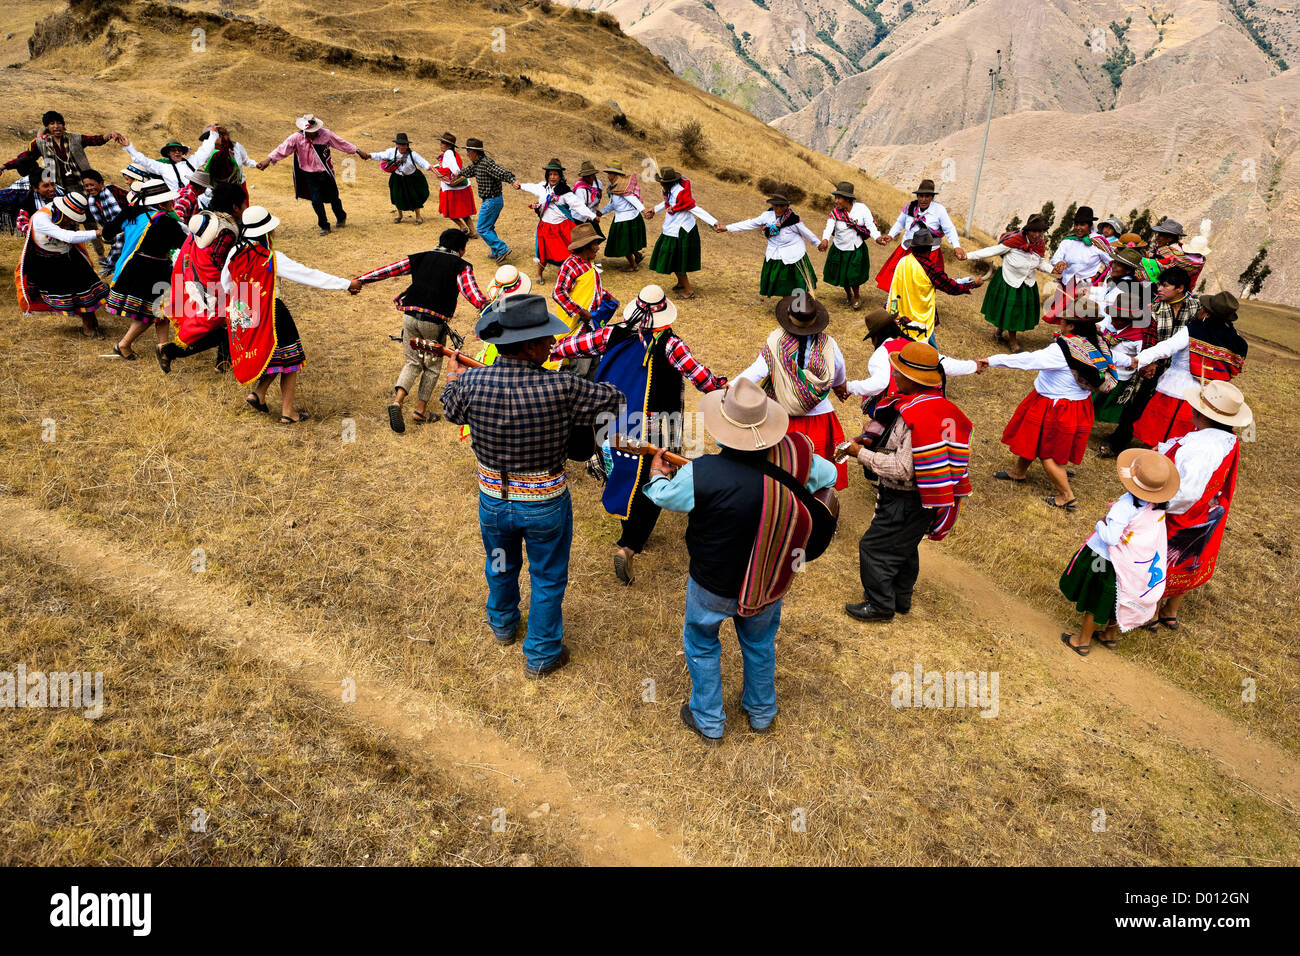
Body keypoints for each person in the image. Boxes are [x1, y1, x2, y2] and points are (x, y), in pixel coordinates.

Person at [643, 378, 838, 742]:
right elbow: (829, 476)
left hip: (710, 581)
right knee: (759, 644)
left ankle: (709, 720)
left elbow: (664, 497)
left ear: (721, 427)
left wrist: (656, 474)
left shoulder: (699, 472)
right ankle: (761, 713)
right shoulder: (794, 458)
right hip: (769, 577)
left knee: (702, 644)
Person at [440, 294, 624, 677]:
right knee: (548, 576)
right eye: (544, 339)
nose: (552, 344)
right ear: (527, 346)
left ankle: (503, 624)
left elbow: (450, 408)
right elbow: (615, 401)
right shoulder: (563, 387)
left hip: (493, 498)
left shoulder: (472, 381)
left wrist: (454, 376)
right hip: (545, 503)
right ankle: (541, 654)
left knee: (500, 563)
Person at [551, 284, 726, 584]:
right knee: (652, 475)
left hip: (610, 420)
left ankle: (627, 531)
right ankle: (630, 545)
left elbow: (571, 347)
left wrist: (548, 350)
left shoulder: (612, 333)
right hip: (655, 425)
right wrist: (726, 389)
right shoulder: (672, 346)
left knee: (621, 471)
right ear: (664, 317)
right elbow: (701, 378)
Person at [840, 342, 973, 622]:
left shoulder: (920, 417)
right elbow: (897, 442)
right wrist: (870, 440)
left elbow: (903, 469)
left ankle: (880, 605)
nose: (894, 376)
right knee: (904, 546)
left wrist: (860, 453)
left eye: (897, 372)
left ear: (912, 379)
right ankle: (901, 598)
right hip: (921, 501)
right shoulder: (933, 407)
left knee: (874, 548)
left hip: (905, 499)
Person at [221, 205, 361, 423]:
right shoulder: (271, 258)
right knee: (290, 359)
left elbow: (226, 284)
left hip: (245, 312)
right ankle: (288, 413)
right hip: (272, 311)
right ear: (266, 233)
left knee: (274, 355)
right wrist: (346, 284)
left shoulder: (234, 252)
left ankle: (258, 394)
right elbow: (308, 275)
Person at [980, 300, 1116, 511]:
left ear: (1071, 326)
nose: (1060, 323)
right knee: (1034, 439)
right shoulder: (1096, 342)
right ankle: (1018, 472)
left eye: (1064, 320)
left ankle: (1067, 497)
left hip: (1057, 406)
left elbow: (1028, 361)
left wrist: (992, 360)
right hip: (1075, 404)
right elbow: (1117, 360)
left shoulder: (1062, 349)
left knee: (1048, 454)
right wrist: (1133, 362)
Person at [354, 229, 489, 432]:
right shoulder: (461, 265)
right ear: (462, 249)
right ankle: (420, 411)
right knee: (433, 366)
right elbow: (471, 292)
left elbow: (390, 269)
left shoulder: (420, 257)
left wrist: (362, 279)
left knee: (412, 361)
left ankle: (397, 402)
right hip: (433, 322)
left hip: (409, 316)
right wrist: (488, 308)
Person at [1148, 381, 1252, 630]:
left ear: (1200, 413)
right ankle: (1170, 611)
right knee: (1187, 557)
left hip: (1183, 511)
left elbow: (1188, 490)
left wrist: (1157, 503)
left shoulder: (1199, 448)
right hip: (1206, 509)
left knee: (1163, 557)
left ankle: (1150, 613)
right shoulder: (1227, 440)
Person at [1058, 449, 1180, 655]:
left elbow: (1110, 538)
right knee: (1116, 599)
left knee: (1095, 599)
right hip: (1131, 564)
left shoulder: (1125, 506)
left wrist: (1100, 524)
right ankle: (1109, 636)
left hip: (1105, 561)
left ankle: (1083, 641)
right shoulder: (1159, 507)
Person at [738, 293, 851, 489]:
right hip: (819, 416)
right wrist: (840, 387)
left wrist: (730, 387)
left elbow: (757, 370)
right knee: (816, 467)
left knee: (783, 465)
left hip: (783, 417)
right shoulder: (828, 345)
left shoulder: (777, 343)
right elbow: (838, 372)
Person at [1129, 290, 1247, 447]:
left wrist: (1139, 359)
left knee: (1162, 437)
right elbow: (1234, 369)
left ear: (1207, 313)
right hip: (1209, 398)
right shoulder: (1238, 341)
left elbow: (1167, 347)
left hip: (1176, 390)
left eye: (1203, 308)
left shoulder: (1194, 330)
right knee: (1187, 440)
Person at [1102, 266, 1199, 457]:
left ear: (1180, 288)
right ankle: (1118, 441)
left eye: (1165, 285)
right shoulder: (1152, 308)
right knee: (1137, 401)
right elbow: (1148, 337)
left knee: (1177, 409)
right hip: (1153, 362)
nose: (1159, 289)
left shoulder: (1195, 307)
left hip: (1181, 366)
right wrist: (1147, 363)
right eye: (1159, 285)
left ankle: (1172, 447)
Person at [159, 184, 247, 374]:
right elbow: (218, 259)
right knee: (215, 320)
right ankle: (171, 351)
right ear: (235, 207)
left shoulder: (208, 218)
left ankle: (223, 362)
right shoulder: (228, 229)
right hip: (211, 284)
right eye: (243, 205)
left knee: (227, 321)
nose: (244, 209)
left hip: (193, 273)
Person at [101, 178, 187, 361]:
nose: (173, 203)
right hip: (154, 270)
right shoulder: (165, 222)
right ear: (161, 202)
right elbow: (183, 244)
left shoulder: (131, 213)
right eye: (170, 200)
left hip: (133, 265)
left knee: (160, 311)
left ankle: (163, 349)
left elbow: (107, 232)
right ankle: (124, 344)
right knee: (153, 311)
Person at [846, 307, 977, 411]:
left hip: (903, 406)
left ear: (876, 337)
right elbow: (946, 364)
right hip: (929, 401)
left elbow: (879, 384)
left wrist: (849, 387)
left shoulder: (881, 353)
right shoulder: (918, 345)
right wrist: (975, 365)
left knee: (869, 402)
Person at [14, 191, 107, 337]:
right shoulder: (41, 218)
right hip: (48, 263)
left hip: (70, 256)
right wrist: (98, 233)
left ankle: (88, 324)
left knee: (86, 290)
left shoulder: (64, 215)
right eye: (71, 218)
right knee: (69, 294)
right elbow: (67, 236)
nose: (72, 222)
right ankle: (88, 323)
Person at [258, 114, 369, 235]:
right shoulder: (296, 138)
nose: (312, 133)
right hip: (309, 175)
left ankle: (341, 217)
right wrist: (268, 160)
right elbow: (282, 149)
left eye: (314, 131)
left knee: (334, 198)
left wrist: (357, 151)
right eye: (309, 131)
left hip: (325, 172)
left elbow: (341, 143)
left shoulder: (326, 134)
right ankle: (324, 225)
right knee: (316, 200)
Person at [965, 213, 1053, 352]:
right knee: (1013, 311)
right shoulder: (1014, 241)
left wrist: (1054, 269)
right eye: (1034, 231)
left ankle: (999, 332)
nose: (1037, 235)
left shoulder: (1040, 245)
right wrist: (968, 255)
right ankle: (1013, 342)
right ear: (1027, 230)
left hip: (1027, 283)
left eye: (1040, 231)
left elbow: (1041, 263)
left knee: (1011, 311)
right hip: (1009, 280)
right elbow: (991, 251)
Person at [886, 227, 981, 344]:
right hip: (921, 318)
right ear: (930, 248)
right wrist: (973, 284)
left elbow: (894, 287)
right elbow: (951, 287)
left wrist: (892, 309)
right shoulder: (931, 268)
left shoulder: (903, 261)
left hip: (900, 314)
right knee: (929, 350)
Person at [716, 194, 821, 298]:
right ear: (773, 205)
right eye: (776, 205)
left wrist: (818, 244)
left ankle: (799, 305)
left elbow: (806, 233)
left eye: (782, 206)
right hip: (775, 254)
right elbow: (749, 223)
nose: (779, 209)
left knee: (797, 282)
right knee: (783, 284)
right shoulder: (767, 216)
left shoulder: (793, 220)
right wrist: (727, 228)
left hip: (793, 254)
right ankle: (787, 303)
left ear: (786, 206)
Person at [1093, 247, 1154, 426]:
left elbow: (1123, 315)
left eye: (1119, 264)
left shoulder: (1131, 290)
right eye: (1115, 262)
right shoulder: (1116, 282)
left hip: (1114, 336)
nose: (1114, 265)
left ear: (1128, 270)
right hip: (1107, 329)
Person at [873, 178, 966, 291]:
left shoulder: (939, 210)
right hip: (907, 249)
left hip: (929, 253)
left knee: (922, 283)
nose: (923, 199)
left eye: (927, 196)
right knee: (899, 278)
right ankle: (897, 303)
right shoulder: (910, 207)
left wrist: (956, 246)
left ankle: (918, 305)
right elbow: (900, 223)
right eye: (921, 196)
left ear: (932, 197)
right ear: (917, 196)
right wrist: (891, 235)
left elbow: (949, 229)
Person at [515, 158, 596, 283]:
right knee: (543, 251)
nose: (553, 177)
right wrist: (520, 186)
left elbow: (577, 205)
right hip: (546, 226)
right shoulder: (543, 187)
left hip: (562, 227)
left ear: (560, 176)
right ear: (547, 175)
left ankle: (570, 275)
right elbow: (532, 187)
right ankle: (539, 274)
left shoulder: (564, 192)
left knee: (569, 251)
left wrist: (592, 215)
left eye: (555, 174)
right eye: (550, 174)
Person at [643, 166, 716, 299]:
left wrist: (714, 222)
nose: (660, 184)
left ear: (667, 183)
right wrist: (654, 209)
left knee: (676, 260)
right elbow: (668, 203)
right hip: (672, 228)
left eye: (661, 182)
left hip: (681, 230)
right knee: (673, 258)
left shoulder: (681, 193)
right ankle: (681, 283)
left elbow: (694, 208)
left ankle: (688, 291)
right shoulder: (670, 191)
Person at [2, 111, 117, 189]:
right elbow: (24, 157)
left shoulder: (76, 138)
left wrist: (110, 135)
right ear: (47, 127)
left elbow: (95, 140)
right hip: (57, 185)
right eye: (52, 124)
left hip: (80, 182)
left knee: (87, 212)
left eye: (59, 123)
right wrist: (4, 166)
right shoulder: (40, 143)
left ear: (63, 125)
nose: (56, 126)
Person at [552, 222, 618, 343]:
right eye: (595, 244)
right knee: (579, 358)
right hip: (577, 323)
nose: (598, 248)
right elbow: (558, 293)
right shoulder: (570, 265)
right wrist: (580, 311)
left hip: (590, 321)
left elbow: (589, 288)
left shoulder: (589, 263)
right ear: (584, 246)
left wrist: (609, 297)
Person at [1045, 205, 1112, 322]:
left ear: (1090, 225)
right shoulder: (1068, 241)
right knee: (1064, 316)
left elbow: (1111, 263)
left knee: (1079, 316)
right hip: (1067, 284)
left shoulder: (1098, 242)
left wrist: (1102, 280)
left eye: (1082, 225)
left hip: (1086, 287)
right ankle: (1066, 338)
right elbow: (1055, 258)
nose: (1078, 228)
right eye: (1076, 224)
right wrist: (1059, 262)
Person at [818, 181, 879, 310]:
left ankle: (856, 296)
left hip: (856, 248)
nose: (836, 201)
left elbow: (870, 226)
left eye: (839, 198)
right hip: (840, 248)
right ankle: (848, 294)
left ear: (848, 199)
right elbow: (828, 228)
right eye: (836, 198)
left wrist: (877, 237)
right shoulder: (835, 213)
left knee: (853, 274)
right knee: (843, 275)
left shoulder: (862, 209)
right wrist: (825, 240)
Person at [459, 137, 517, 261]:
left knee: (481, 228)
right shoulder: (478, 164)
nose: (467, 154)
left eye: (469, 151)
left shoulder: (486, 163)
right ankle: (496, 251)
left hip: (492, 201)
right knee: (488, 227)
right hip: (492, 201)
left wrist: (512, 180)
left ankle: (502, 249)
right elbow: (469, 170)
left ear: (476, 152)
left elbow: (501, 172)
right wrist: (458, 173)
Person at [116, 129, 218, 193]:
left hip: (201, 198)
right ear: (168, 153)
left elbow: (205, 151)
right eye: (173, 150)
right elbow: (144, 161)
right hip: (179, 202)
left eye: (179, 150)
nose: (177, 152)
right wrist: (129, 147)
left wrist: (213, 134)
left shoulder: (192, 162)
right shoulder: (163, 168)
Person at [365, 132, 432, 224]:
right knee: (397, 196)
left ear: (407, 145)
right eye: (400, 144)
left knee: (414, 196)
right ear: (396, 144)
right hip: (397, 178)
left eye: (404, 144)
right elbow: (380, 155)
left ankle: (418, 216)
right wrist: (369, 155)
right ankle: (399, 215)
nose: (402, 147)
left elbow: (422, 162)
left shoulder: (413, 154)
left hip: (412, 178)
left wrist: (430, 168)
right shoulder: (391, 152)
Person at [599, 159, 646, 271]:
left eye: (610, 173)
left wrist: (643, 211)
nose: (608, 176)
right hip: (625, 218)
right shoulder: (614, 188)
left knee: (624, 243)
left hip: (627, 219)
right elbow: (612, 205)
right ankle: (638, 256)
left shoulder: (622, 187)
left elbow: (633, 199)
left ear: (615, 175)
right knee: (629, 241)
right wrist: (601, 212)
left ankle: (633, 265)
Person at [433, 132, 476, 236]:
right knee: (464, 212)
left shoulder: (448, 154)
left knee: (448, 210)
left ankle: (462, 227)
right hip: (462, 188)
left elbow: (456, 170)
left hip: (452, 189)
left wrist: (444, 174)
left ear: (449, 145)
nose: (441, 145)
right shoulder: (453, 153)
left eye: (443, 143)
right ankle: (472, 231)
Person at [1148, 219, 1204, 287]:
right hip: (1160, 284)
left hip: (1163, 286)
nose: (1157, 238)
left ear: (1170, 238)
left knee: (1138, 287)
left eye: (1161, 235)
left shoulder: (1169, 251)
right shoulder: (1167, 248)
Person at [572, 161, 604, 235]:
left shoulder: (598, 184)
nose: (590, 178)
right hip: (579, 218)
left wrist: (595, 210)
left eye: (591, 175)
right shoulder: (580, 189)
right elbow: (581, 207)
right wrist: (593, 216)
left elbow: (596, 199)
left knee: (596, 240)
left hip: (591, 216)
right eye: (587, 176)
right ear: (583, 176)